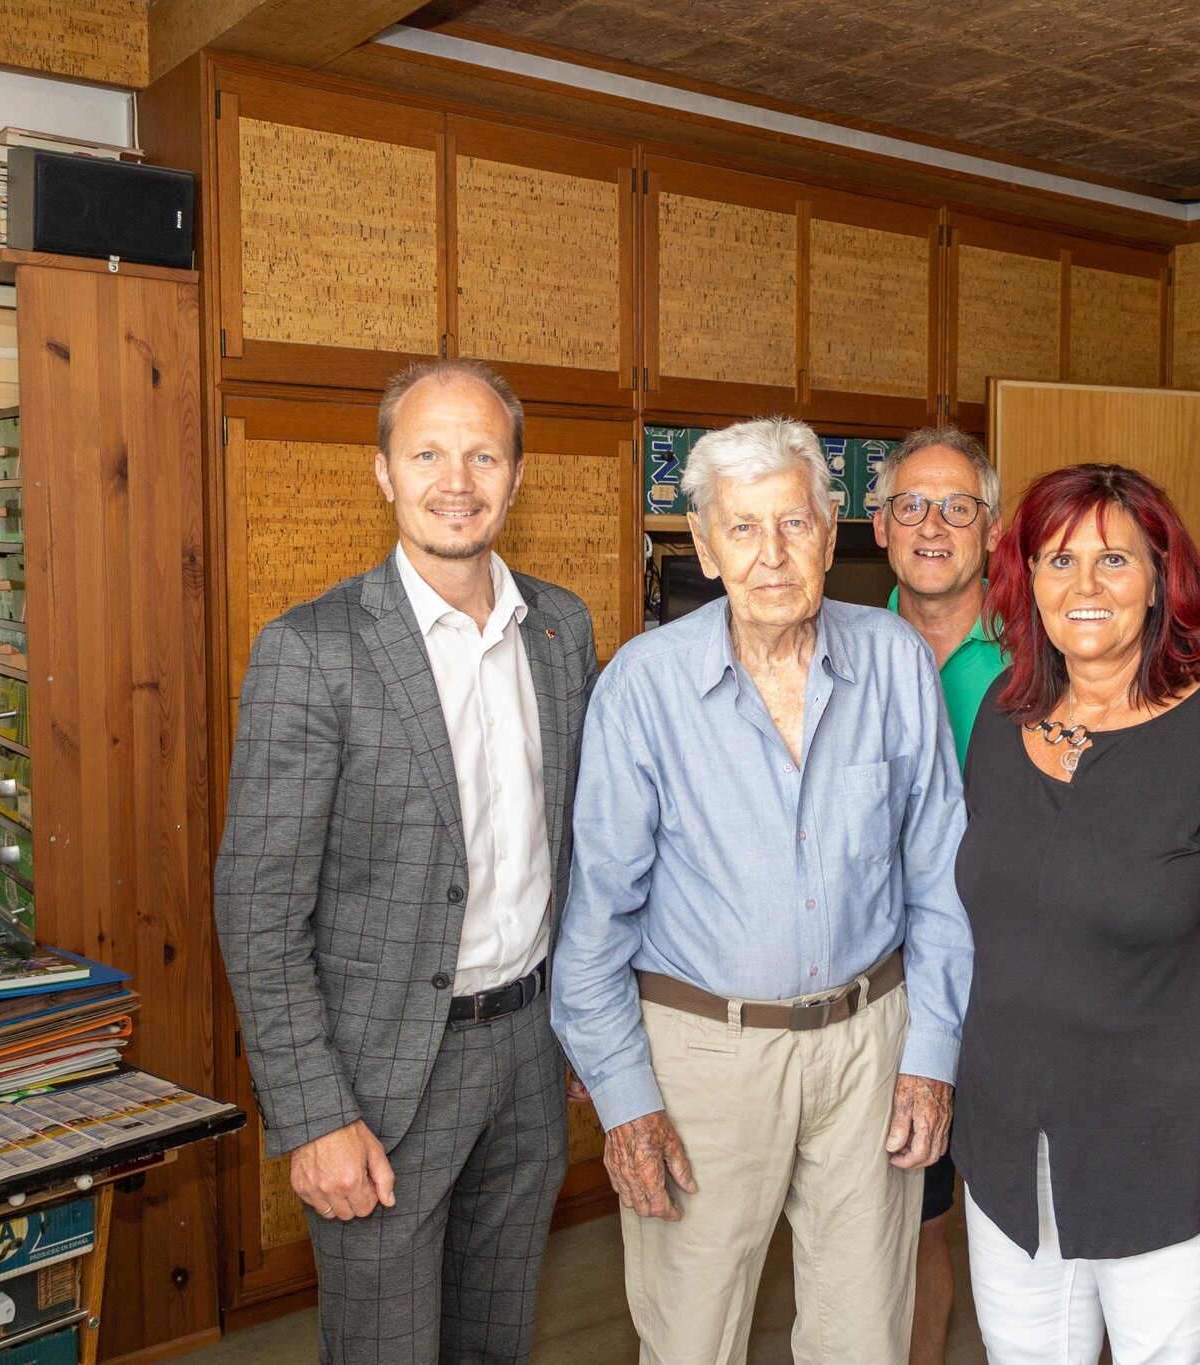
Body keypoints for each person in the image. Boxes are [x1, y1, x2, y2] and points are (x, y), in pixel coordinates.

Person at [552, 416, 974, 1365]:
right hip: (701, 1057)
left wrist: (932, 1053)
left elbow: (941, 883)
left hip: (873, 1047)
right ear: (703, 545)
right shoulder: (641, 686)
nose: (772, 555)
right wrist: (625, 1102)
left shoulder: (896, 662)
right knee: (692, 1334)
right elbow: (595, 923)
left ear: (832, 534)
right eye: (742, 529)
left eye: (794, 523)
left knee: (864, 1335)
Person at [213, 358, 597, 1365]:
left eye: (482, 454)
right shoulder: (313, 650)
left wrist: (582, 1030)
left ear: (516, 476)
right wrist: (312, 1117)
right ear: (384, 472)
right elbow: (258, 911)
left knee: (494, 1339)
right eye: (426, 453)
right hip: (378, 1082)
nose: (455, 481)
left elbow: (578, 852)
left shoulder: (561, 631)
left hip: (526, 1059)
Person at [952, 463, 1200, 1365]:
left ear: (1161, 580)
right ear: (1026, 581)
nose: (1085, 586)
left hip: (1180, 1152)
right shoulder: (1002, 721)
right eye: (1058, 559)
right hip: (1014, 1148)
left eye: (1114, 559)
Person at [870, 426, 1005, 1365]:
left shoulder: (1047, 651)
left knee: (1038, 1219)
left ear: (990, 529)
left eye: (957, 506)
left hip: (1019, 989)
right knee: (911, 1222)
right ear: (878, 526)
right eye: (911, 505)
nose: (932, 525)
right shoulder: (839, 649)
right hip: (890, 993)